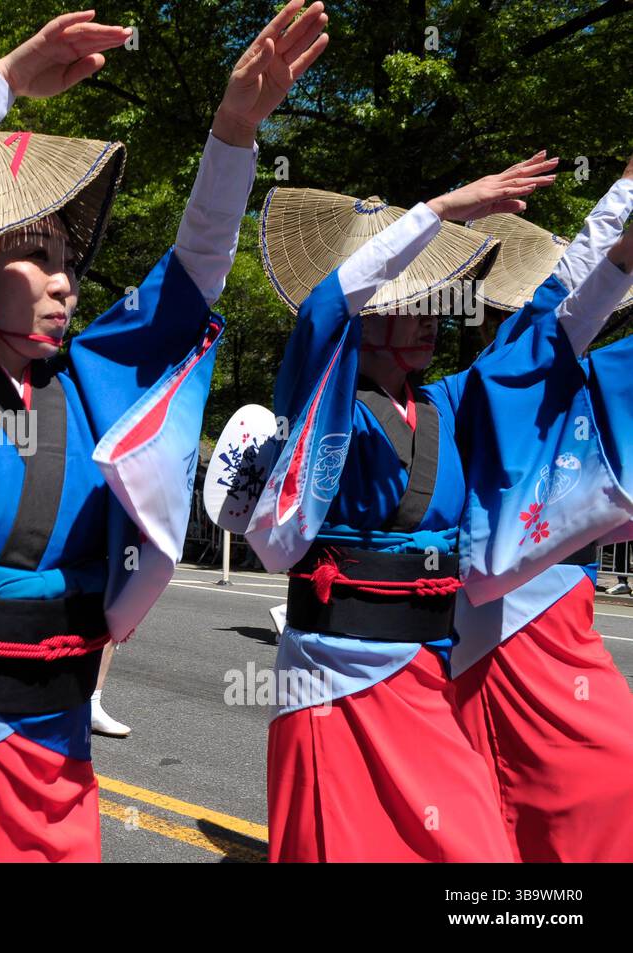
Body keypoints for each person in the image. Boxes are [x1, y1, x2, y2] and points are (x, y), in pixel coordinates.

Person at [0, 4, 328, 862]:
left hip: (54, 766)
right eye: (37, 257)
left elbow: (193, 271)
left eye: (71, 261)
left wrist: (232, 135)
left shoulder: (96, 386)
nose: (65, 282)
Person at [248, 151, 633, 861]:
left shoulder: (449, 403)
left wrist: (620, 245)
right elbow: (328, 309)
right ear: (369, 319)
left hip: (431, 674)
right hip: (338, 679)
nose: (428, 317)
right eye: (409, 301)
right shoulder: (327, 404)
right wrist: (439, 212)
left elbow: (549, 330)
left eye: (433, 299)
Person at [449, 165, 633, 862]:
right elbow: (562, 317)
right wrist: (617, 234)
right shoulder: (484, 383)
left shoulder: (574, 372)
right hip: (508, 638)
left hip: (562, 620)